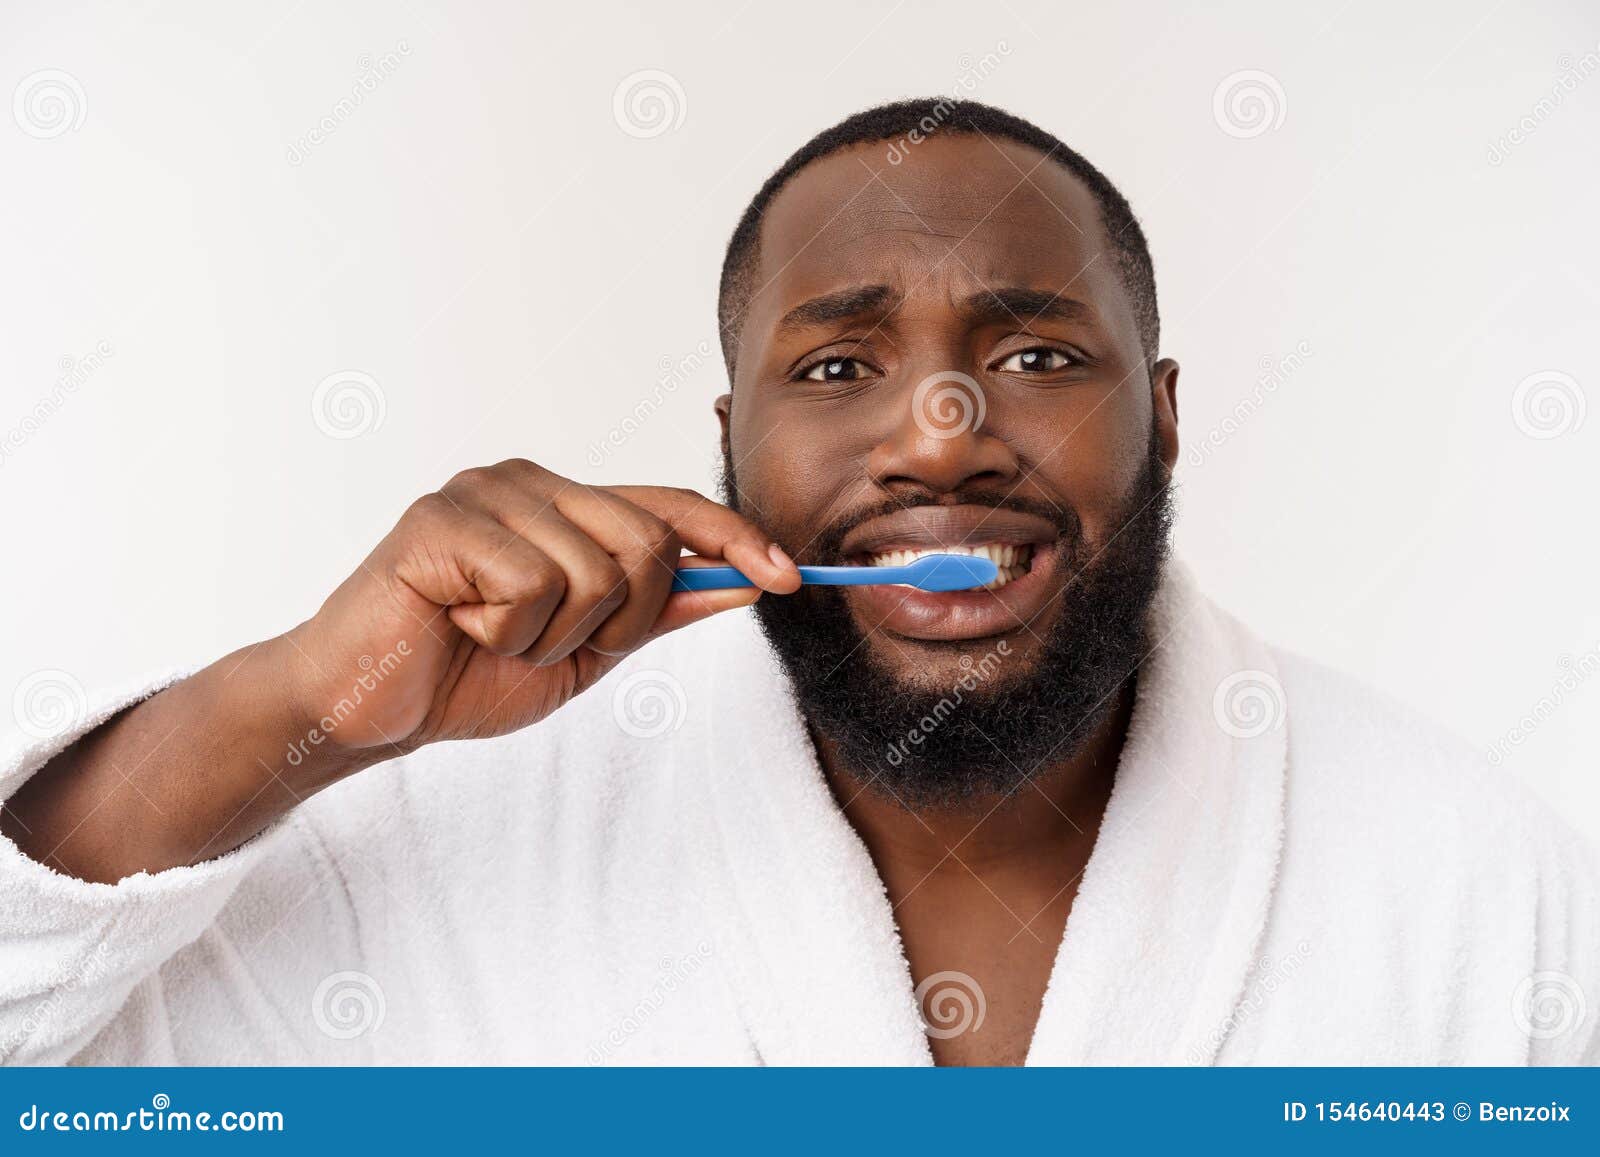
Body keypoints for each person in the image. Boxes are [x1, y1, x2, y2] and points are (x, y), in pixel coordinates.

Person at [3, 100, 1595, 1067]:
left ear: (1162, 416)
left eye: (1036, 353)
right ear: (732, 448)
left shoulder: (1469, 886)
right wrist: (300, 708)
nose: (942, 432)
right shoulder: (446, 843)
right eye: (837, 364)